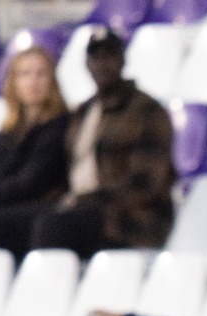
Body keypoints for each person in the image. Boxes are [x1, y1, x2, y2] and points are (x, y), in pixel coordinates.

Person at [31, 29, 175, 258]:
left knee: (52, 228)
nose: (101, 64)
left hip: (131, 220)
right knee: (2, 225)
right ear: (86, 63)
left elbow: (146, 183)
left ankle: (53, 292)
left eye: (109, 55)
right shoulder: (83, 111)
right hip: (81, 210)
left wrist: (90, 200)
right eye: (95, 57)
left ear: (122, 60)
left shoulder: (147, 111)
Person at [0, 44, 70, 260]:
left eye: (41, 74)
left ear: (52, 80)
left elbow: (34, 178)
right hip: (8, 205)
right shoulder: (9, 130)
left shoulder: (60, 125)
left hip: (41, 206)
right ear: (14, 82)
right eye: (25, 74)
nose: (33, 82)